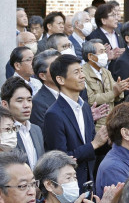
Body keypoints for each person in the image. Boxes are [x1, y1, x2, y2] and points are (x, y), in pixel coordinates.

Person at [43, 54, 108, 189]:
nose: (82, 76)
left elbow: (91, 144)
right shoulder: (53, 114)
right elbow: (61, 158)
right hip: (69, 185)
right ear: (60, 79)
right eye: (76, 72)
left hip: (89, 182)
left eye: (82, 71)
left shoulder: (84, 107)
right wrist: (94, 144)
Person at [0, 76, 44, 167]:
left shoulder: (36, 130)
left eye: (29, 100)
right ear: (5, 104)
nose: (26, 105)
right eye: (20, 101)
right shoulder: (1, 133)